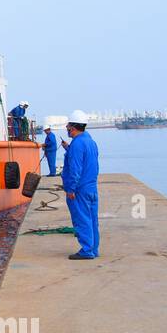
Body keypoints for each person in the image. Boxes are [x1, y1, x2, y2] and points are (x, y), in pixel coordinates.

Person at [61, 110, 100, 260]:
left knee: (82, 219)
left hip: (80, 190)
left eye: (68, 126)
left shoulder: (77, 144)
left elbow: (75, 169)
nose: (66, 128)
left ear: (73, 127)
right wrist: (69, 150)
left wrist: (71, 189)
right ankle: (93, 249)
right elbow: (90, 163)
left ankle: (86, 250)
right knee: (92, 220)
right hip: (91, 187)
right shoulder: (90, 142)